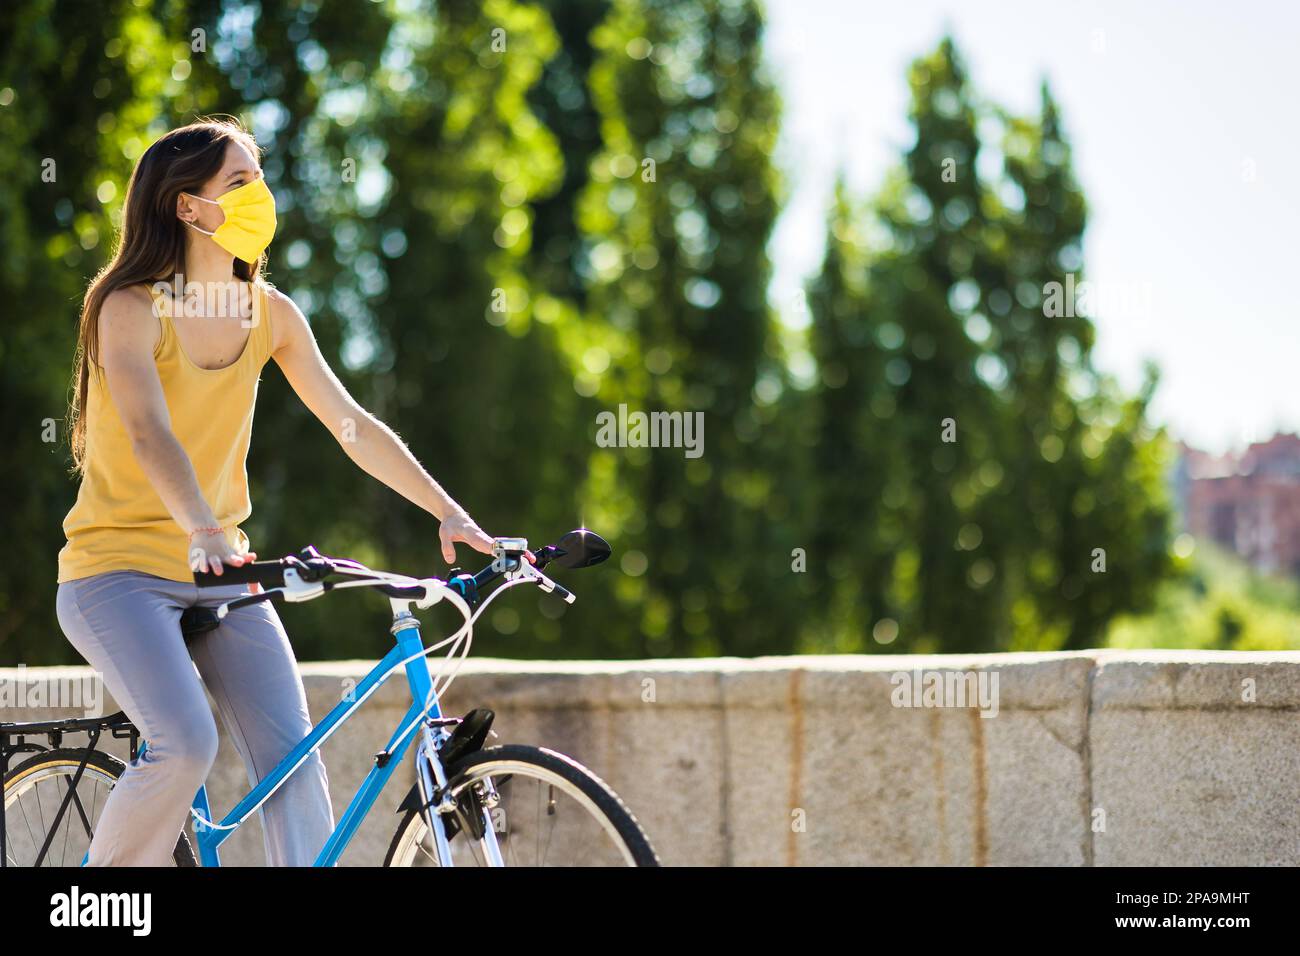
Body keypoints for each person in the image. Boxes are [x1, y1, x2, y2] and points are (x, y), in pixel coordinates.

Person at [55, 117, 495, 866]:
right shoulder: (128, 307)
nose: (262, 194)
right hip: (116, 574)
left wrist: (448, 511)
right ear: (187, 207)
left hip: (227, 577)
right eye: (241, 181)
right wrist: (200, 525)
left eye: (260, 175)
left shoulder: (270, 315)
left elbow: (351, 425)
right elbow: (146, 431)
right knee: (185, 743)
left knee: (296, 764)